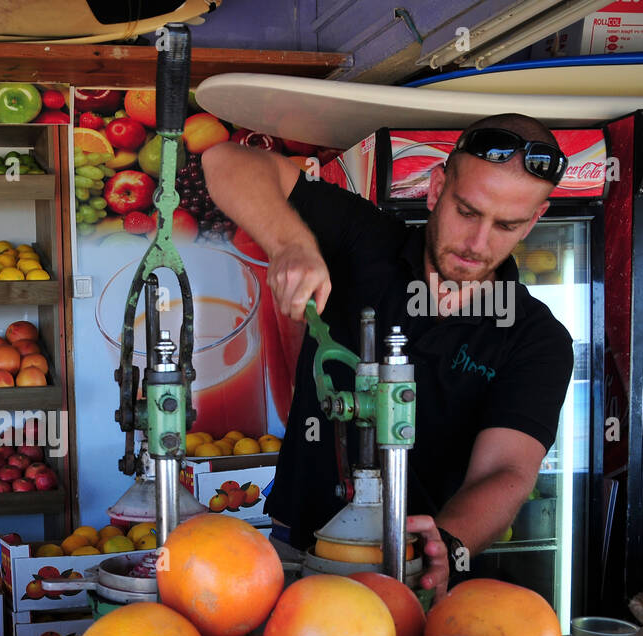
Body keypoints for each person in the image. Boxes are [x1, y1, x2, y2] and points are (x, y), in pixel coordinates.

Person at [202, 114, 575, 600]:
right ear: (437, 186)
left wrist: (449, 544)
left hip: (414, 573)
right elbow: (224, 159)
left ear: (535, 219)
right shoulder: (363, 240)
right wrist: (291, 243)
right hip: (293, 557)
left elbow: (505, 470)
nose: (477, 244)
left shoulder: (536, 338)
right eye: (467, 211)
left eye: (507, 225)